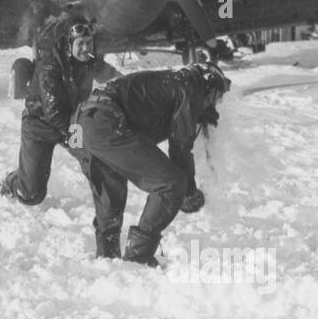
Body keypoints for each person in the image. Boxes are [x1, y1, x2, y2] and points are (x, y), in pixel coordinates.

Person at [74, 62, 230, 264]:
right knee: (171, 184)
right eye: (217, 98)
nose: (215, 104)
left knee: (111, 195)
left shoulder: (175, 81)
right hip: (107, 122)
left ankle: (108, 261)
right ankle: (138, 258)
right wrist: (189, 193)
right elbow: (180, 147)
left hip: (85, 123)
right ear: (210, 84)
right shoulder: (190, 86)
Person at [0, 15, 119, 210]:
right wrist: (76, 132)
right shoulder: (50, 66)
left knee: (95, 157)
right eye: (81, 44)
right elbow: (53, 112)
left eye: (89, 43)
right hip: (40, 126)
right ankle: (13, 182)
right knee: (31, 195)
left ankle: (107, 203)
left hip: (70, 122)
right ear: (69, 44)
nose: (86, 49)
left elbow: (113, 79)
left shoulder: (89, 60)